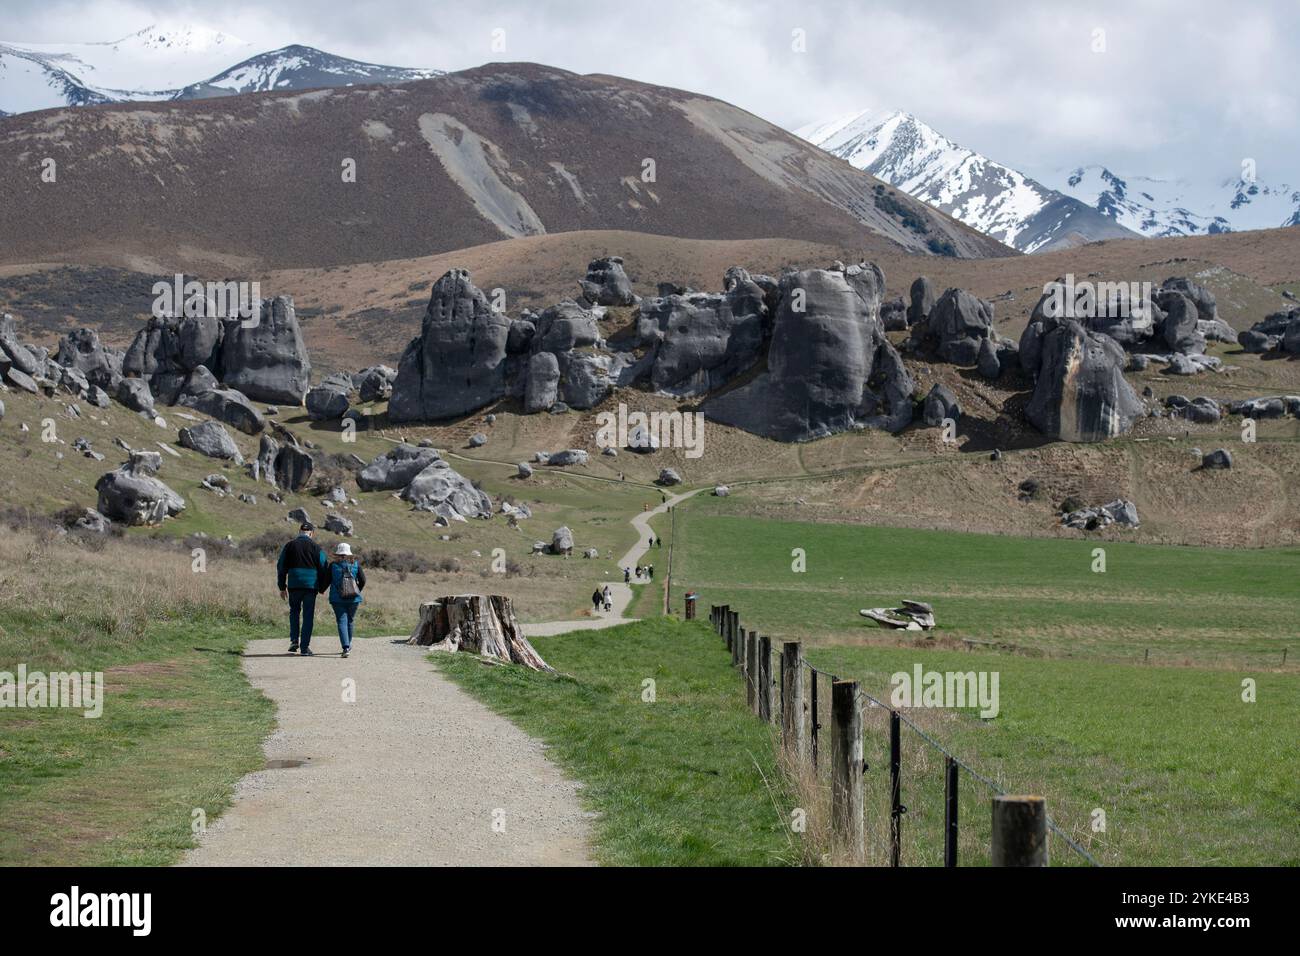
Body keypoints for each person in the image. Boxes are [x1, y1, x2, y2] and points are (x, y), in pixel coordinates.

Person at [277, 522, 328, 656]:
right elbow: (324, 568)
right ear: (311, 533)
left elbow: (281, 567)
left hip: (293, 585)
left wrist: (282, 587)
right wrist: (322, 587)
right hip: (311, 587)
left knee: (294, 612)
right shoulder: (316, 548)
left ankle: (294, 640)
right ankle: (305, 647)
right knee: (308, 616)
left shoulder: (289, 546)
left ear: (299, 532)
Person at [327, 542, 367, 658]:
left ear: (338, 554)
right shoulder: (355, 564)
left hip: (337, 598)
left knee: (341, 621)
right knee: (350, 620)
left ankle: (345, 648)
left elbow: (326, 580)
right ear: (349, 553)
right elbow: (363, 580)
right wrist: (356, 590)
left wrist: (320, 589)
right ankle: (348, 645)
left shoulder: (333, 565)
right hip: (354, 599)